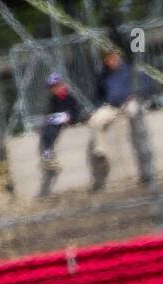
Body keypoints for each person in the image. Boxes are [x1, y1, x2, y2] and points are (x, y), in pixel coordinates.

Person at [86, 48, 155, 190]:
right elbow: (99, 97)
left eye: (112, 58)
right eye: (106, 59)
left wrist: (135, 94)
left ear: (117, 56)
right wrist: (97, 108)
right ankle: (101, 152)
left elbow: (147, 84)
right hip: (113, 106)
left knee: (133, 112)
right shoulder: (103, 75)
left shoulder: (131, 69)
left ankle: (146, 169)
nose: (110, 61)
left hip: (131, 102)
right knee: (95, 119)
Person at [39, 73, 81, 170]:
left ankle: (48, 155)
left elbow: (75, 111)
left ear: (61, 84)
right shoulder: (53, 99)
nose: (54, 89)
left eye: (55, 86)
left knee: (53, 120)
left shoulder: (69, 96)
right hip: (57, 122)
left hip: (69, 118)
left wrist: (70, 118)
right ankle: (48, 155)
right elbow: (50, 113)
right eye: (52, 88)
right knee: (47, 128)